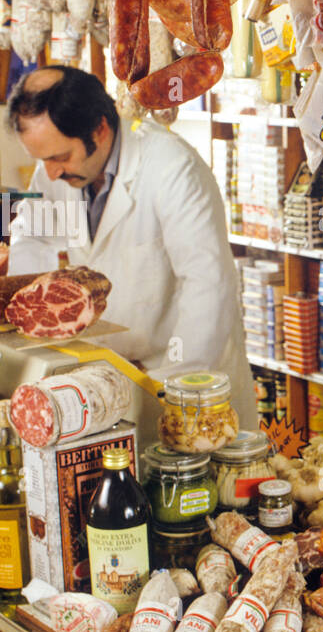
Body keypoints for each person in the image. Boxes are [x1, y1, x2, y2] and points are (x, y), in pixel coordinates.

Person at [6, 66, 256, 425]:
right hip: (105, 378)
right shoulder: (56, 170)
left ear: (100, 130)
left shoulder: (172, 167)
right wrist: (32, 328)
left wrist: (173, 385)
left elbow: (208, 285)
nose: (51, 173)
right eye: (42, 159)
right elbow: (33, 237)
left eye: (59, 157)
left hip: (184, 382)